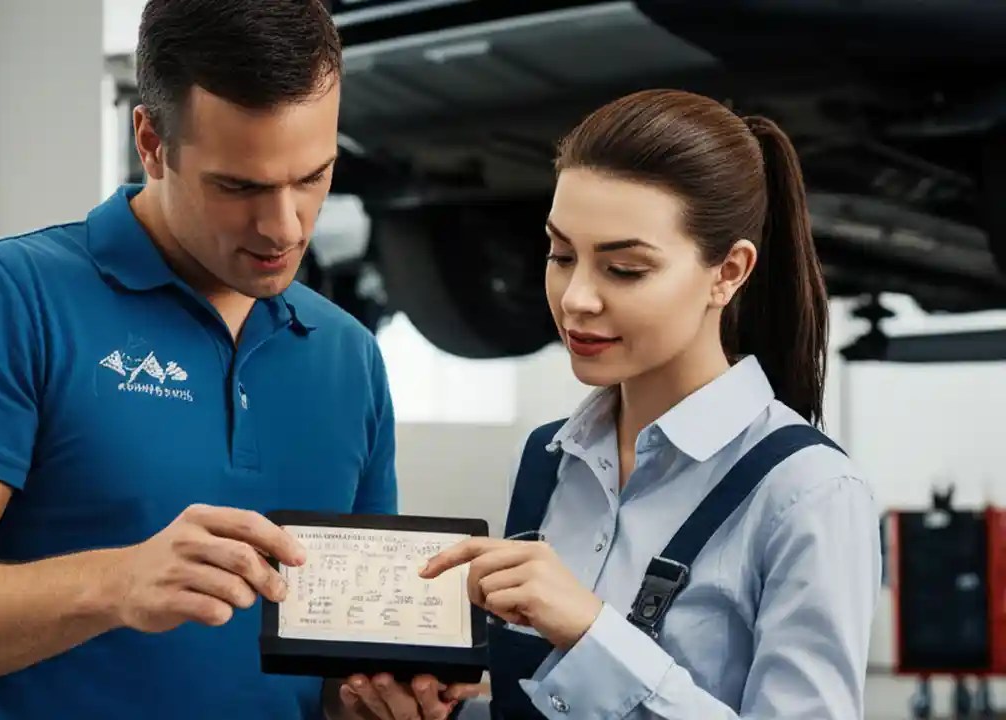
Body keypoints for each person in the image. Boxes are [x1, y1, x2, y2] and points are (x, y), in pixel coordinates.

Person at [0, 2, 402, 718]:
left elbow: (333, 662)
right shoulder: (5, 299)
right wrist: (117, 583)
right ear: (151, 140)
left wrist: (367, 698)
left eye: (312, 178)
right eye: (239, 187)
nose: (284, 226)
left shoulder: (349, 356)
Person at [344, 89, 882, 719]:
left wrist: (590, 634)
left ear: (728, 272)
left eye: (624, 269)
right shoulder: (552, 458)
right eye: (561, 255)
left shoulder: (811, 492)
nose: (576, 299)